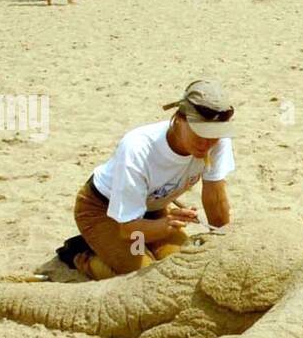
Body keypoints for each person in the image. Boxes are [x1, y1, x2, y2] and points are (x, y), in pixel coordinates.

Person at [57, 81, 236, 280]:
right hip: (108, 214)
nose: (206, 143)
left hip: (153, 211)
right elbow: (130, 229)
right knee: (145, 277)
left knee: (186, 267)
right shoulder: (138, 147)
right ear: (178, 119)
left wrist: (222, 246)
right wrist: (167, 224)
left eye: (213, 136)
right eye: (199, 133)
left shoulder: (218, 142)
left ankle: (114, 247)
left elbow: (215, 199)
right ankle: (82, 255)